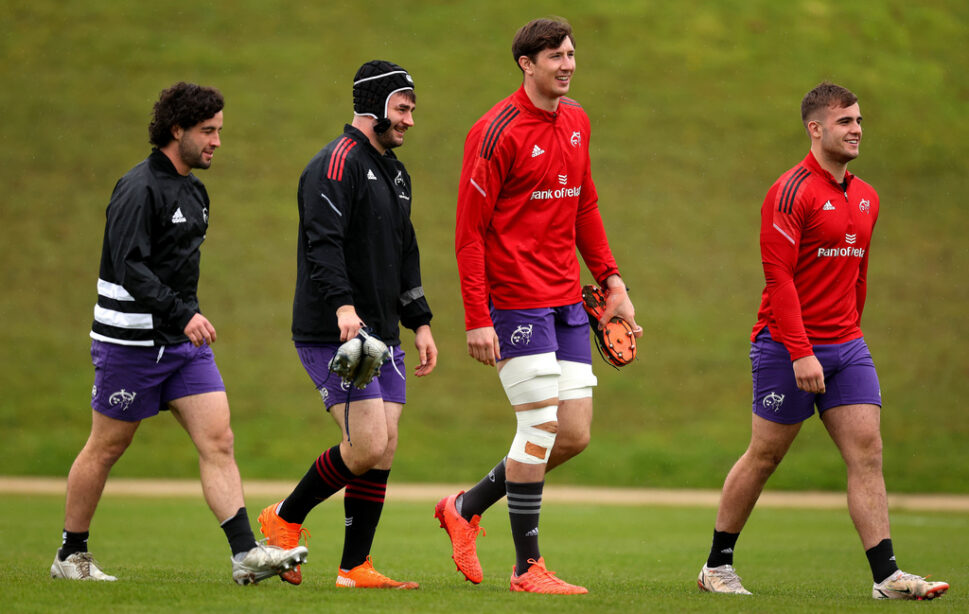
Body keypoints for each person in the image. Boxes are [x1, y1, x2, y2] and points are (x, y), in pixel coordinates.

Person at [696, 82, 949, 601]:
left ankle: (887, 577)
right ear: (815, 128)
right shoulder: (790, 191)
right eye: (844, 122)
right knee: (764, 456)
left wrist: (846, 334)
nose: (856, 129)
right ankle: (716, 566)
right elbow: (779, 280)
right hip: (785, 347)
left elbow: (859, 276)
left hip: (847, 346)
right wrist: (801, 350)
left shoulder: (866, 196)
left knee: (868, 453)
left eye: (858, 121)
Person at [51, 82, 307, 584]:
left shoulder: (194, 190)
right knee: (106, 446)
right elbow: (129, 266)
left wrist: (187, 316)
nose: (216, 141)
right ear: (177, 130)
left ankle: (244, 555)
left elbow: (179, 268)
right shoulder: (138, 187)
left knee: (219, 440)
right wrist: (181, 312)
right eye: (208, 131)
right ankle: (71, 555)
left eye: (219, 131)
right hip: (129, 342)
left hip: (181, 345)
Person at [437, 18, 641, 595]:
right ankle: (528, 569)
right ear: (527, 64)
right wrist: (477, 317)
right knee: (538, 423)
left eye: (572, 53)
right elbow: (468, 234)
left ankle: (465, 505)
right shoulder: (494, 131)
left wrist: (612, 278)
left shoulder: (576, 120)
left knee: (573, 434)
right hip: (513, 302)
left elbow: (585, 205)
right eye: (556, 55)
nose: (568, 64)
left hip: (566, 299)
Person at [257, 60, 437, 590]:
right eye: (402, 109)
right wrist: (341, 306)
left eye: (410, 111)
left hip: (384, 330)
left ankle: (354, 567)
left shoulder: (396, 172)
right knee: (365, 445)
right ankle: (285, 517)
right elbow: (322, 241)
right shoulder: (334, 164)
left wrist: (420, 321)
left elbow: (405, 251)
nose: (408, 120)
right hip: (334, 330)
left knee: (384, 445)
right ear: (375, 106)